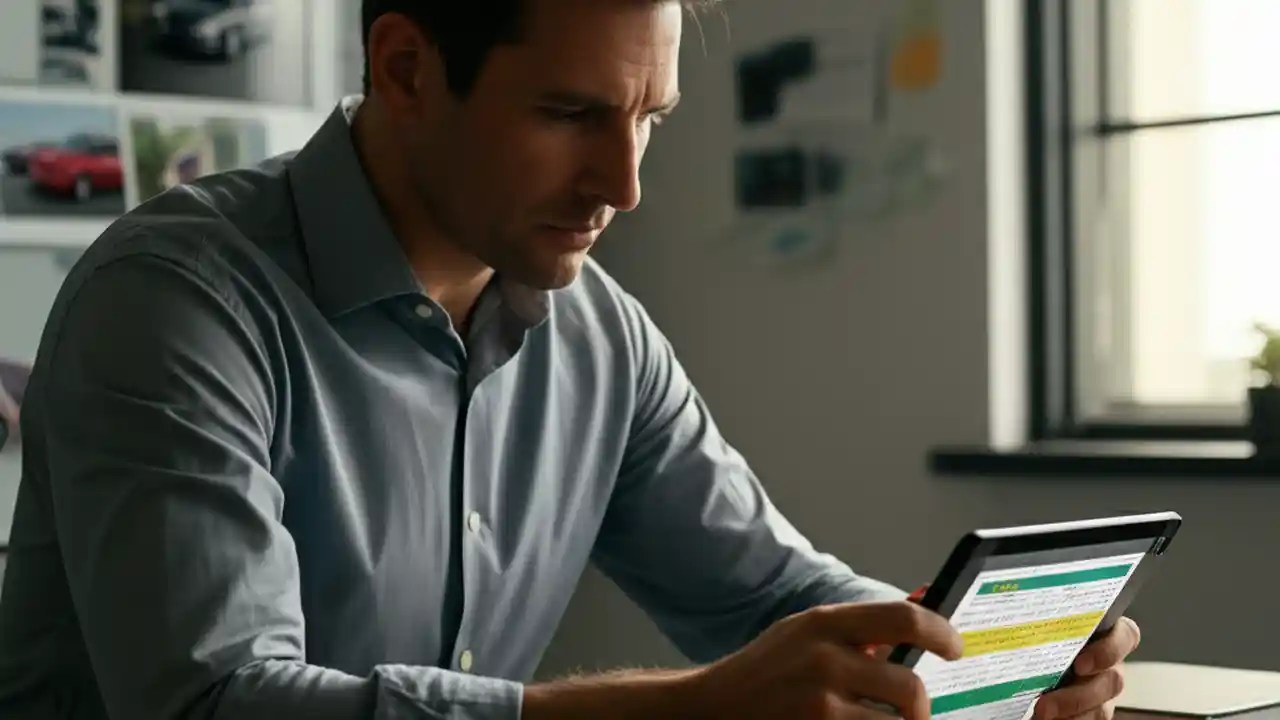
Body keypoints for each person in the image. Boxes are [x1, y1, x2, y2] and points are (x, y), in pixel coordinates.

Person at [0, 1, 1140, 718]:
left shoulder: (599, 334)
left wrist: (973, 660)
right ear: (403, 67)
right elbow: (213, 701)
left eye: (649, 119)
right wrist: (687, 715)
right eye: (568, 113)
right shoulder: (175, 301)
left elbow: (768, 598)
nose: (625, 184)